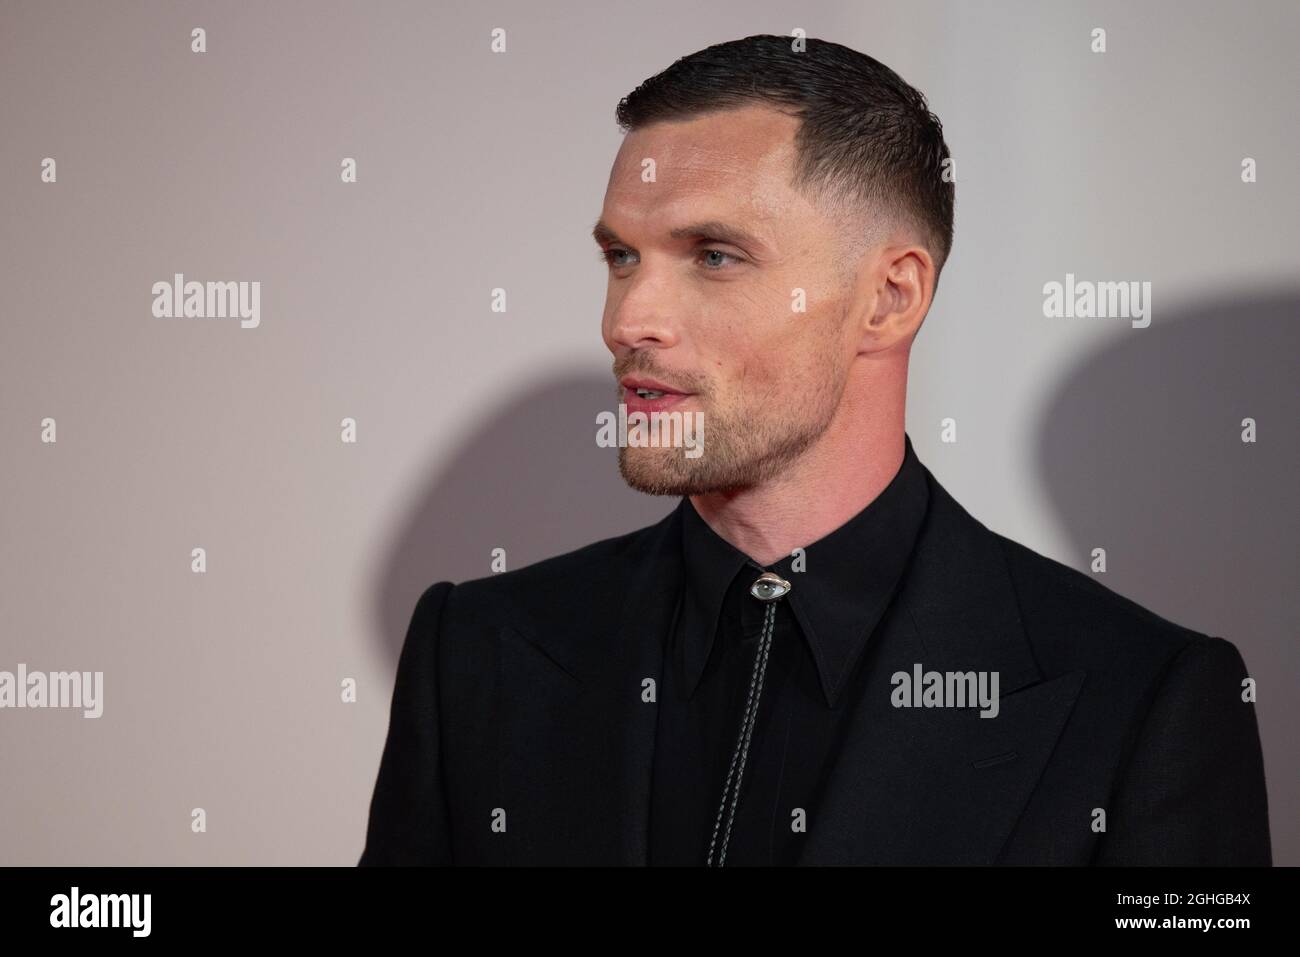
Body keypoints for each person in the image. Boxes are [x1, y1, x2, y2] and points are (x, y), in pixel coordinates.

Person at [359, 34, 1271, 866]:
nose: (628, 320)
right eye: (621, 258)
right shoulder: (475, 654)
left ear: (888, 298)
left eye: (714, 255)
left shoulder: (1143, 704)